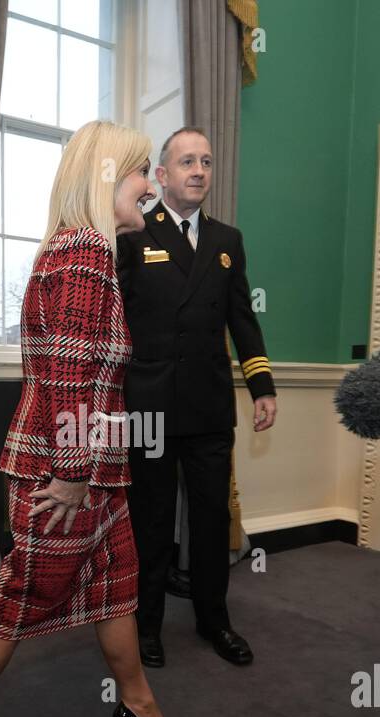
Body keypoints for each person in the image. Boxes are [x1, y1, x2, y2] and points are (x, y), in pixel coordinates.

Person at [0, 121, 197, 717]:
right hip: (67, 474)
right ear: (111, 176)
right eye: (144, 172)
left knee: (118, 590)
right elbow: (74, 375)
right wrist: (75, 473)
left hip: (94, 473)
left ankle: (137, 707)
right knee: (21, 603)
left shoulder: (84, 252)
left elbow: (71, 373)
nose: (154, 185)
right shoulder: (82, 254)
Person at [115, 127, 277, 669]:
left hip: (208, 405)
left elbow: (241, 320)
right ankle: (146, 626)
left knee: (211, 521)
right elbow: (113, 323)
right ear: (161, 176)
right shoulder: (133, 234)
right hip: (149, 408)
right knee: (151, 522)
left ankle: (215, 620)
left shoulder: (227, 240)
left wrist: (261, 385)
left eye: (206, 161)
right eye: (187, 162)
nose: (199, 170)